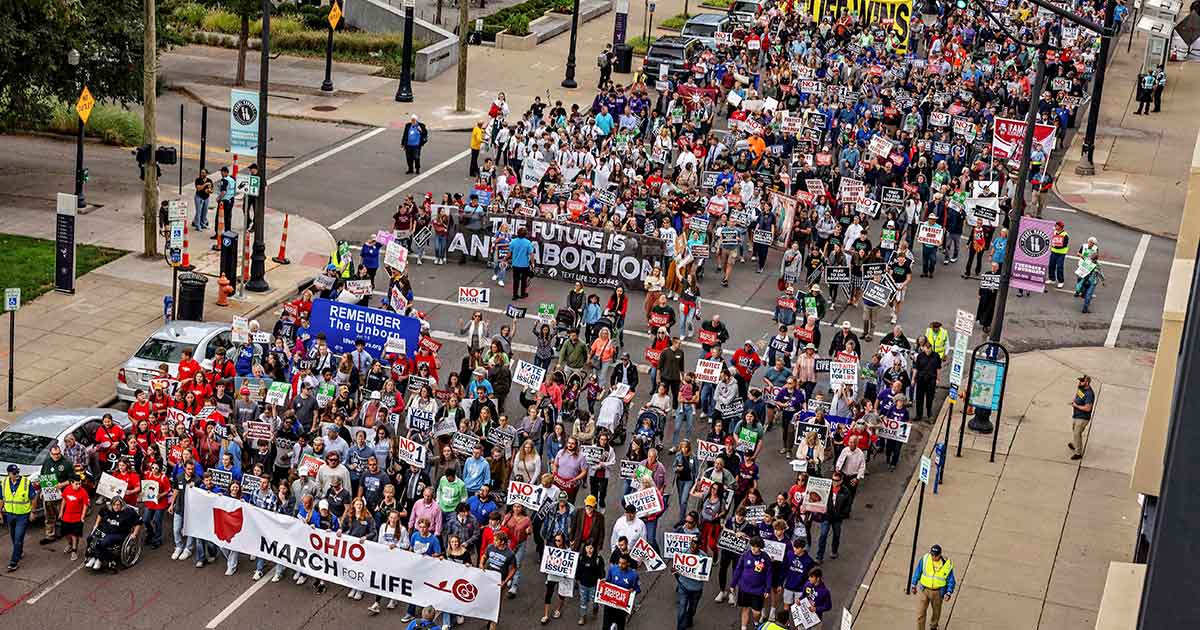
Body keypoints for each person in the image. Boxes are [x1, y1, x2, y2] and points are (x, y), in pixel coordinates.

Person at [84, 495, 141, 572]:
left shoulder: (128, 512)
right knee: (90, 538)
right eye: (114, 505)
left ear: (122, 504)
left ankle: (100, 559)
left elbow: (139, 522)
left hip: (119, 534)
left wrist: (134, 534)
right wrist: (96, 525)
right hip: (106, 531)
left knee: (104, 542)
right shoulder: (107, 508)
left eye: (118, 505)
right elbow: (100, 513)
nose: (116, 507)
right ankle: (94, 557)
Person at [909, 544, 956, 630]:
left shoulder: (946, 564)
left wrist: (948, 592)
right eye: (932, 554)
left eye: (935, 555)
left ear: (939, 554)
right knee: (920, 613)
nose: (933, 556)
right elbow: (918, 571)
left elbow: (951, 580)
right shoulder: (925, 559)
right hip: (925, 590)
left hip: (938, 592)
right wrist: (913, 584)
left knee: (936, 612)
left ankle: (933, 626)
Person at [732, 535, 772, 630]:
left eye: (756, 546)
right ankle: (743, 627)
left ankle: (756, 621)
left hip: (758, 590)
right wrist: (733, 584)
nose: (754, 548)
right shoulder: (745, 555)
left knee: (756, 612)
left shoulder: (765, 558)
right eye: (752, 545)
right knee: (745, 608)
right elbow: (738, 569)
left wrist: (768, 589)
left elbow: (769, 574)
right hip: (744, 588)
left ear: (760, 547)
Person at [2, 464, 35, 571]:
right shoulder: (4, 482)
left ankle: (13, 562)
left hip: (22, 515)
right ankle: (19, 552)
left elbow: (33, 498)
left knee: (18, 538)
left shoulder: (26, 482)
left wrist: (32, 512)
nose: (16, 475)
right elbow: (1, 498)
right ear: (9, 474)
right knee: (13, 537)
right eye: (14, 473)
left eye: (17, 472)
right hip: (10, 515)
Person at [673, 535, 707, 630]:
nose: (693, 545)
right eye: (692, 542)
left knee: (692, 610)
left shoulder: (704, 557)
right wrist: (678, 578)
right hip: (683, 587)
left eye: (696, 543)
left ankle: (689, 620)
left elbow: (707, 574)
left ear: (700, 546)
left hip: (696, 589)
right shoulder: (683, 553)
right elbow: (675, 570)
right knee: (681, 610)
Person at [601, 552, 640, 630]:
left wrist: (633, 590)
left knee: (620, 625)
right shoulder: (612, 569)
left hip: (622, 606)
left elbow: (637, 589)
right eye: (619, 563)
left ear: (628, 563)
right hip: (610, 603)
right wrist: (604, 581)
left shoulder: (634, 575)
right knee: (606, 625)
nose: (620, 565)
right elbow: (608, 581)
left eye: (623, 563)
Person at [1068, 375, 1095, 460]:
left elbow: (1088, 408)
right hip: (1076, 415)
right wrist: (1074, 401)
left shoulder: (1089, 394)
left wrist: (1076, 405)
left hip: (1083, 418)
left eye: (1082, 381)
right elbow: (1078, 397)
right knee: (1075, 431)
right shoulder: (1081, 388)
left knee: (1077, 433)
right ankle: (1076, 445)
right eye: (1080, 381)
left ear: (1087, 383)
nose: (1080, 382)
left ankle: (1078, 453)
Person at [510, 226, 535, 300]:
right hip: (524, 265)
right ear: (525, 234)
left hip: (515, 264)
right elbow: (531, 254)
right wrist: (532, 263)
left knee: (515, 280)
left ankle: (515, 295)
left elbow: (509, 253)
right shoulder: (528, 242)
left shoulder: (513, 241)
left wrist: (505, 259)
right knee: (524, 280)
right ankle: (522, 294)